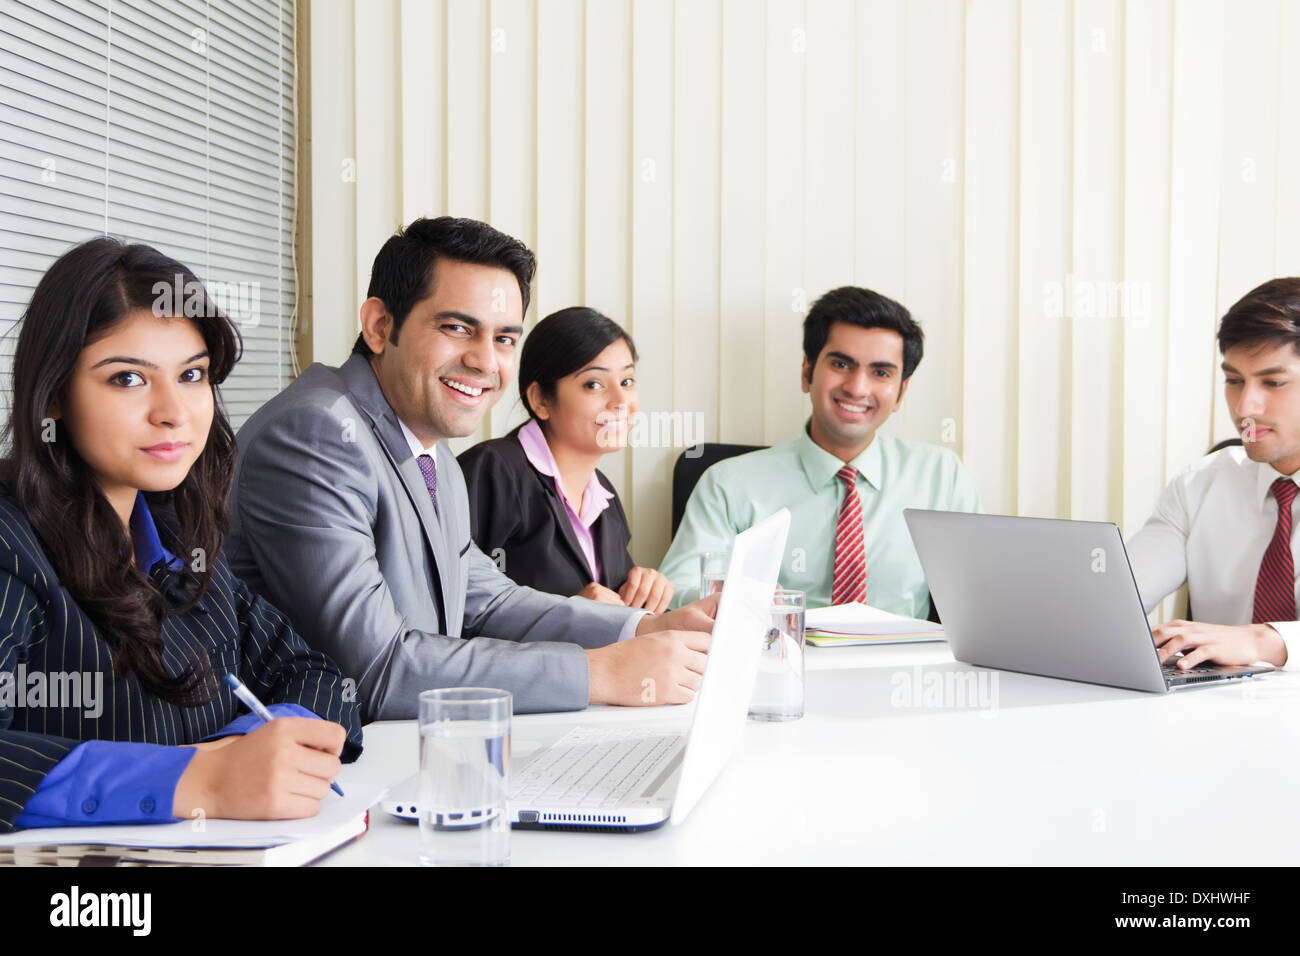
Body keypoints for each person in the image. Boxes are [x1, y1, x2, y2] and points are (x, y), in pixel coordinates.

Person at [228, 217, 716, 722]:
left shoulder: (428, 447)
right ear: (379, 326)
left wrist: (646, 629)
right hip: (309, 773)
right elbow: (375, 670)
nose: (485, 361)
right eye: (457, 327)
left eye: (504, 339)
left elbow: (489, 602)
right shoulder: (318, 433)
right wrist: (602, 673)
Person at [0, 238, 362, 834]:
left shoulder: (177, 535)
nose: (174, 411)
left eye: (191, 375)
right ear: (56, 394)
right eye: (127, 380)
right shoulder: (12, 547)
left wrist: (258, 746)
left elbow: (314, 672)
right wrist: (197, 780)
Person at [659, 286, 980, 615]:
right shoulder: (728, 483)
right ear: (806, 372)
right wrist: (734, 597)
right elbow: (674, 596)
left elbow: (981, 597)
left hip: (904, 664)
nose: (857, 388)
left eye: (881, 372)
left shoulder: (943, 477)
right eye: (841, 364)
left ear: (900, 393)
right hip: (779, 659)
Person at [1126, 278, 1300, 670]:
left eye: (1273, 382)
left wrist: (1265, 641)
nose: (1245, 407)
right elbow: (1118, 598)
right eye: (1234, 380)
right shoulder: (1198, 485)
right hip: (1211, 720)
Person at [458, 307, 673, 612]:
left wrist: (644, 587)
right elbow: (448, 610)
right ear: (541, 400)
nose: (621, 401)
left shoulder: (604, 499)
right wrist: (566, 615)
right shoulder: (494, 471)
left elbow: (614, 612)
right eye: (594, 384)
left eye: (627, 381)